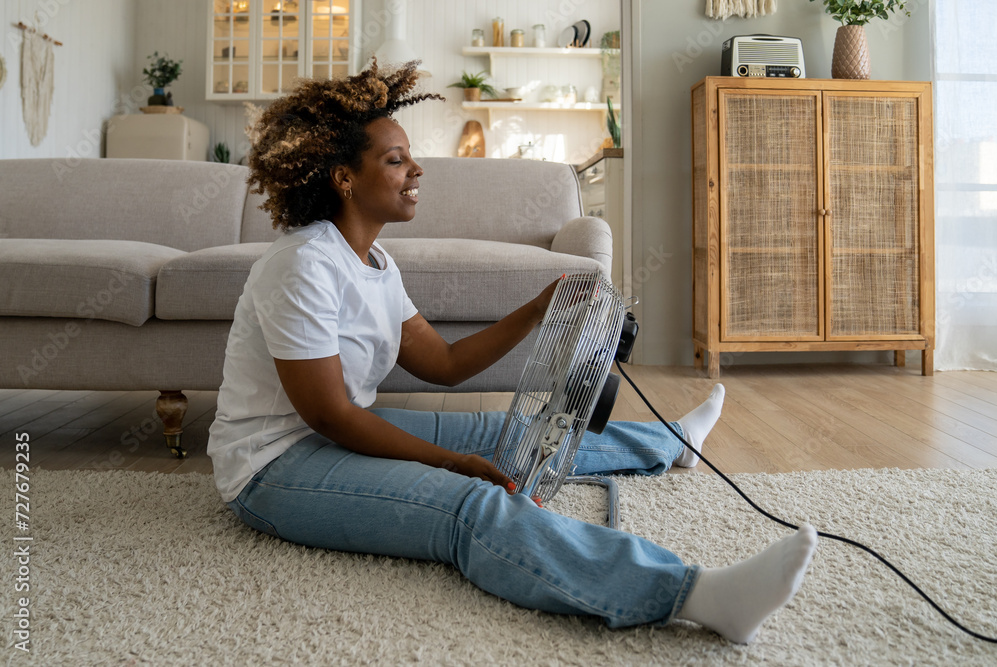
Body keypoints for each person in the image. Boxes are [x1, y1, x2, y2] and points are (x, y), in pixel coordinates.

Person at [207, 60, 817, 645]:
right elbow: (330, 415)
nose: (417, 169)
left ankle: (672, 443)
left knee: (505, 432)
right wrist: (448, 464)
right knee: (473, 504)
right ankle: (699, 597)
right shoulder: (303, 266)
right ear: (344, 178)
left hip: (327, 437)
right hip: (274, 466)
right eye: (397, 160)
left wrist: (541, 306)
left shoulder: (376, 265)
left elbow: (444, 366)